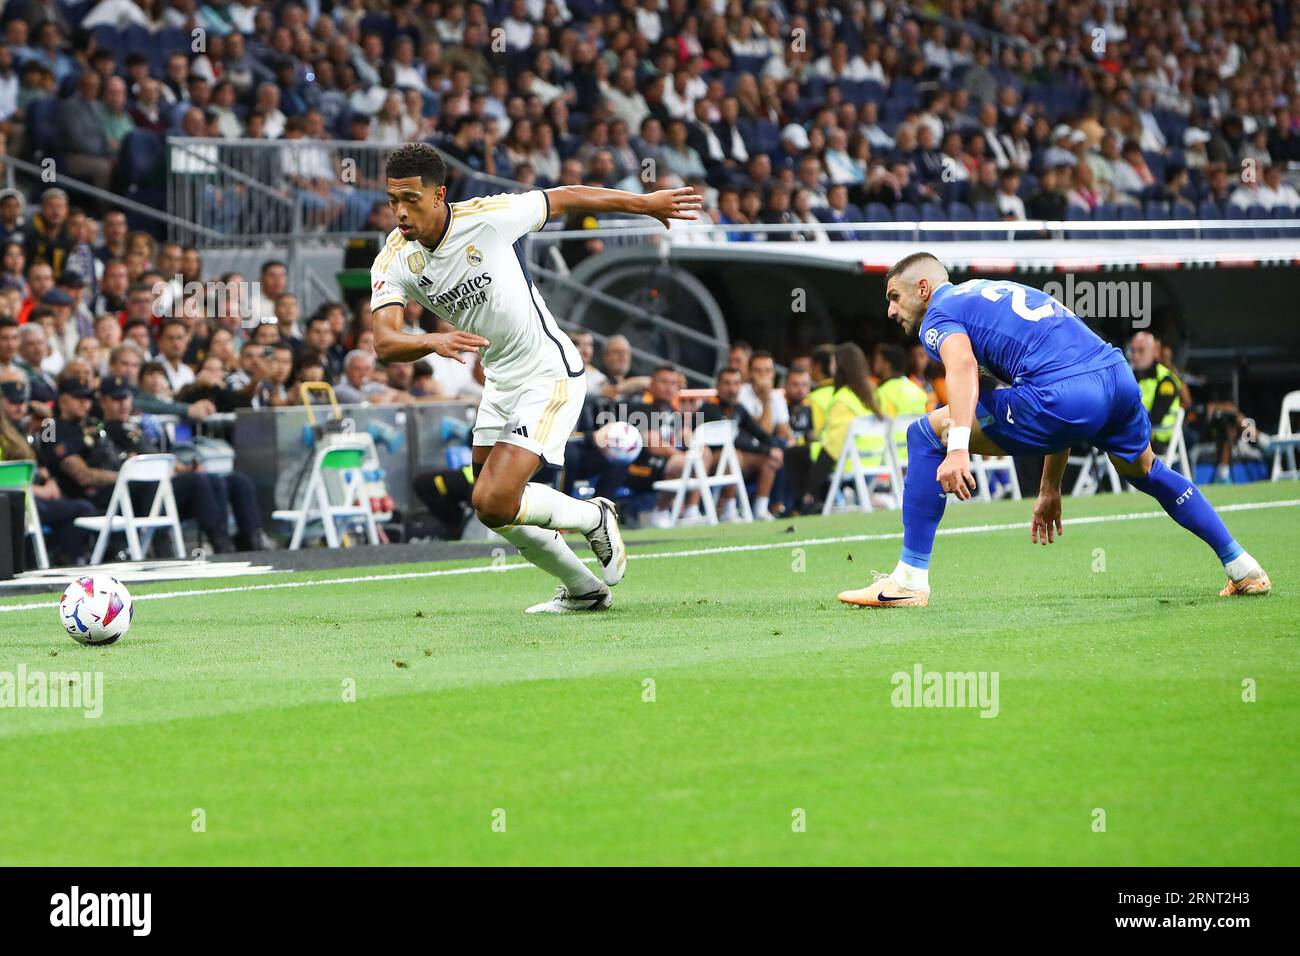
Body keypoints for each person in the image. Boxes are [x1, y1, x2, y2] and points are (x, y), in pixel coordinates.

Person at [370, 143, 701, 612]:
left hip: (549, 372)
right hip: (500, 380)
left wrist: (645, 204)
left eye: (411, 200)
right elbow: (383, 343)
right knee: (493, 508)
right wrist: (431, 342)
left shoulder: (487, 218)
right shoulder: (394, 258)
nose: (400, 212)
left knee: (493, 498)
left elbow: (564, 196)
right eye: (392, 201)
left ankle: (593, 515)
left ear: (440, 194)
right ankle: (585, 590)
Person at [838, 253, 1271, 608]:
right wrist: (1050, 487)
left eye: (894, 297)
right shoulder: (988, 292)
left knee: (924, 434)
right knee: (1147, 469)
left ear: (923, 289)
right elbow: (1050, 375)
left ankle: (909, 581)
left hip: (1065, 395)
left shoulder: (940, 316)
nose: (890, 310)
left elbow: (964, 366)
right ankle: (1243, 566)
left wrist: (957, 448)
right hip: (1114, 378)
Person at [699, 367, 781, 521]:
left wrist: (774, 447)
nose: (732, 389)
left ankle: (760, 509)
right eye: (727, 384)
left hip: (739, 456)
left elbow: (759, 432)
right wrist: (766, 449)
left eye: (736, 384)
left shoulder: (738, 408)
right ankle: (728, 510)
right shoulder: (709, 407)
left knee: (771, 459)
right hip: (712, 459)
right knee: (733, 456)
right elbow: (734, 440)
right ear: (717, 385)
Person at [1129, 331, 1183, 457]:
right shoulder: (1128, 378)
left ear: (1155, 352)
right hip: (1135, 438)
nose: (1135, 356)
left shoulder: (1166, 380)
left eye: (1141, 351)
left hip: (1158, 442)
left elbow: (1154, 417)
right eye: (1133, 351)